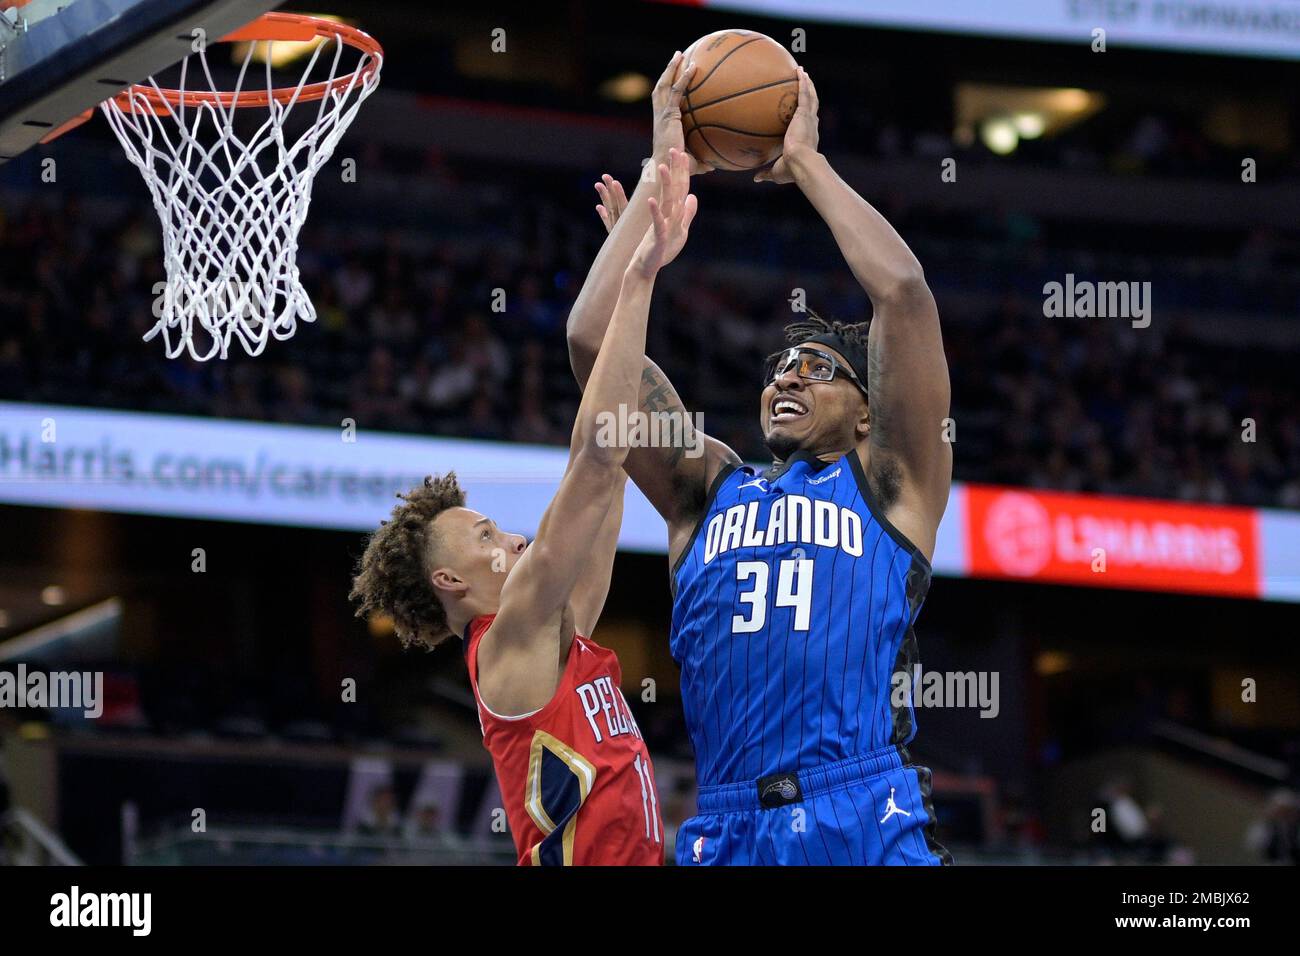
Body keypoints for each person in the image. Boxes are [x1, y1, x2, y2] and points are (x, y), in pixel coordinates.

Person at [568, 52, 952, 865]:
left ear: (867, 415)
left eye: (820, 370)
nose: (789, 375)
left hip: (862, 809)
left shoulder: (890, 483)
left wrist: (807, 165)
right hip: (727, 823)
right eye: (781, 367)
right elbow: (592, 343)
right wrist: (658, 184)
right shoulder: (704, 489)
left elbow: (905, 294)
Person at [350, 149, 701, 865]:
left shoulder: (556, 637)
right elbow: (597, 457)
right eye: (485, 534)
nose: (509, 536)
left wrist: (622, 275)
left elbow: (609, 472)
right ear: (450, 580)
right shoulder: (508, 641)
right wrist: (638, 278)